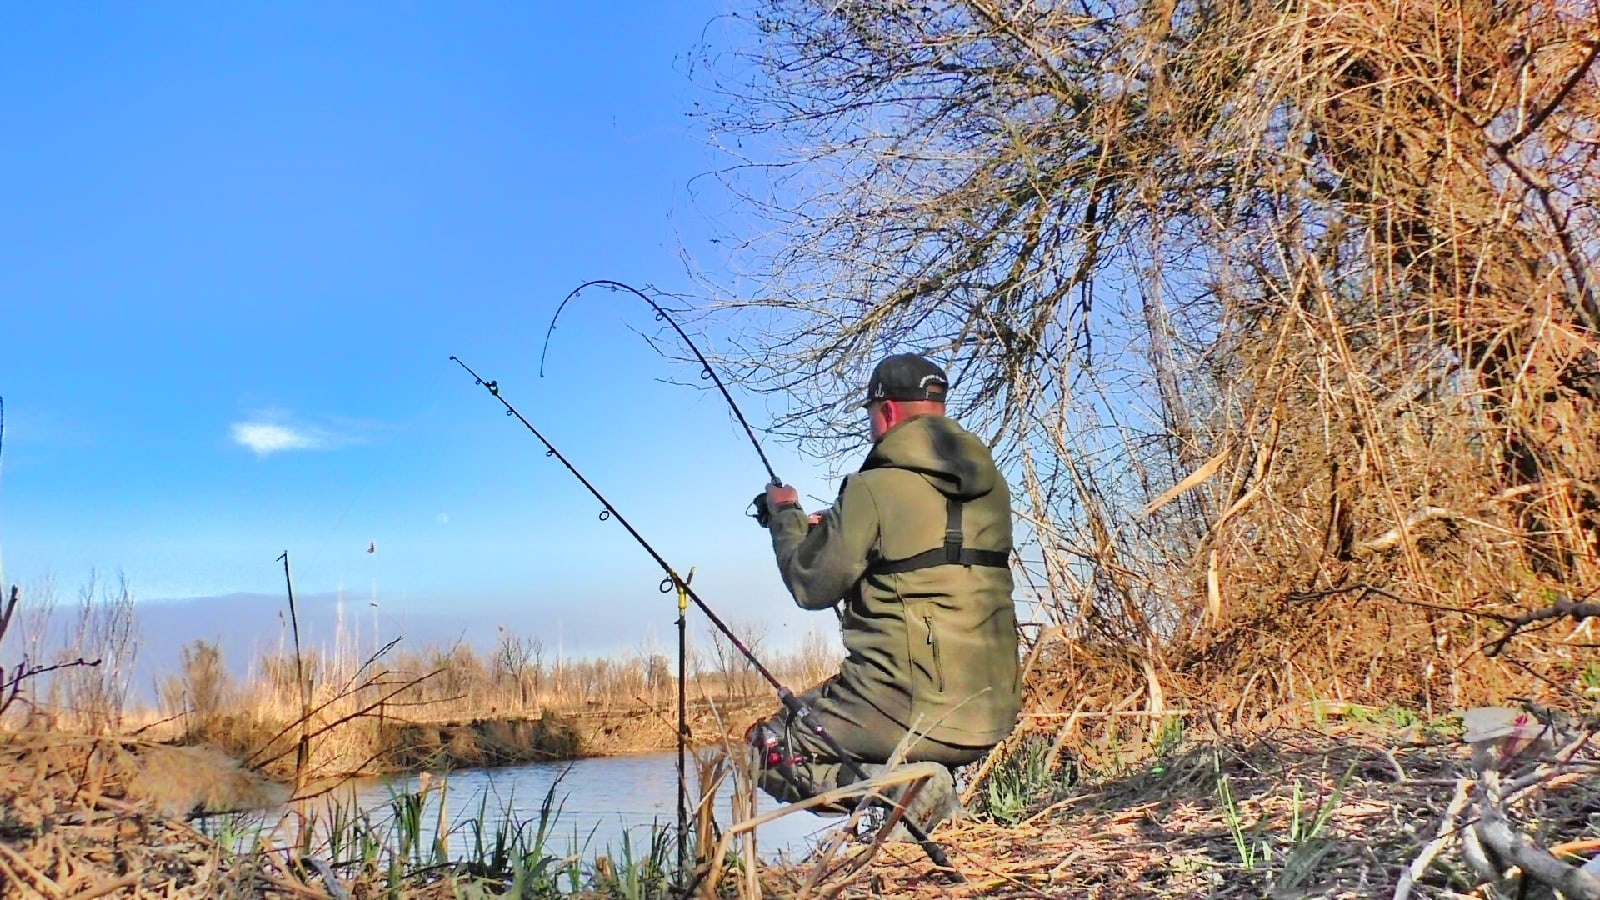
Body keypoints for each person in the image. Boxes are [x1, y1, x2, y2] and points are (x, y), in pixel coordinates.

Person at [749, 353, 1020, 835]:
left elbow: (810, 585)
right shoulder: (993, 487)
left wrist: (785, 516)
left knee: (765, 748)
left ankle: (898, 793)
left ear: (887, 411)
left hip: (909, 707)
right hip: (992, 711)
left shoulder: (871, 488)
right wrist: (834, 528)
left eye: (871, 413)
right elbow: (928, 560)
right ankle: (918, 797)